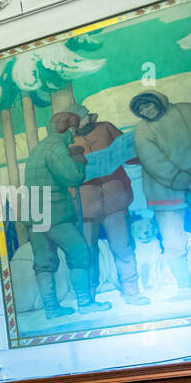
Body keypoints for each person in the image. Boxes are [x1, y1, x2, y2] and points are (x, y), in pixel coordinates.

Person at [22, 112, 110, 318]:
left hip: (33, 211)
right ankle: (85, 303)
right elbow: (72, 177)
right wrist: (78, 162)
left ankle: (51, 309)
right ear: (67, 129)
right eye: (73, 130)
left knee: (44, 260)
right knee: (79, 252)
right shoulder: (56, 148)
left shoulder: (39, 149)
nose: (74, 134)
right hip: (54, 211)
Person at [68, 105, 147, 305]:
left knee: (123, 247)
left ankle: (132, 291)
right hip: (85, 206)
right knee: (88, 252)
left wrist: (134, 154)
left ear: (89, 116)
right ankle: (90, 298)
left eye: (82, 118)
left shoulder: (106, 128)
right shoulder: (67, 142)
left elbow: (131, 154)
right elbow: (63, 174)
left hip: (115, 200)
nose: (79, 122)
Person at [129, 90, 191, 299]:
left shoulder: (189, 111)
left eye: (149, 105)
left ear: (159, 102)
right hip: (164, 189)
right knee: (172, 239)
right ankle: (185, 287)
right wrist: (184, 180)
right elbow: (153, 161)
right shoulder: (142, 131)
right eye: (141, 109)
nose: (146, 111)